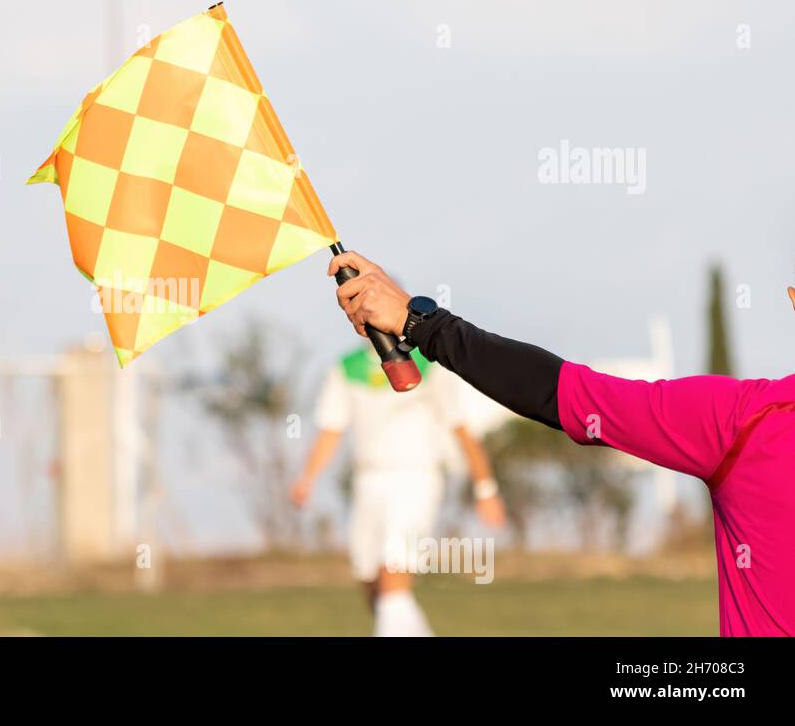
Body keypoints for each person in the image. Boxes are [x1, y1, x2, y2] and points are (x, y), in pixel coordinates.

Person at [329, 250, 795, 637]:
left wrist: (420, 323)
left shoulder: (744, 421)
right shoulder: (742, 420)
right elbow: (560, 392)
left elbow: (555, 391)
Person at [290, 343, 505, 636]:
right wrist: (307, 477)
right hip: (368, 481)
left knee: (394, 574)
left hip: (417, 478)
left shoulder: (429, 364)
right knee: (373, 584)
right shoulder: (346, 368)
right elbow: (332, 428)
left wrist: (485, 488)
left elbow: (461, 427)